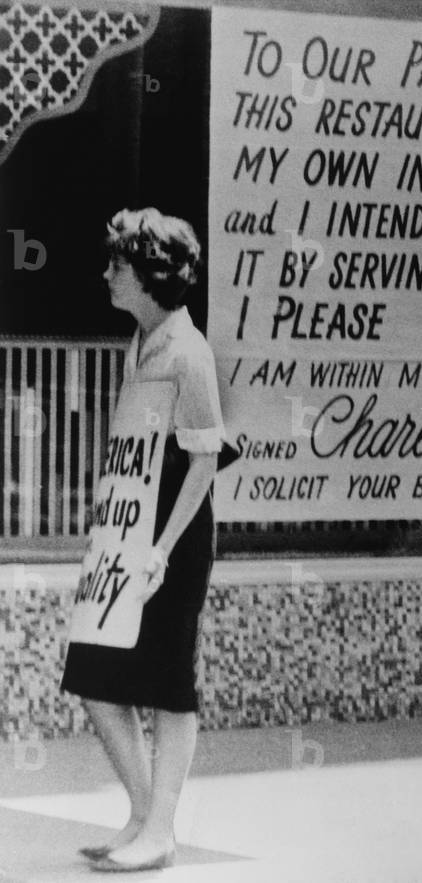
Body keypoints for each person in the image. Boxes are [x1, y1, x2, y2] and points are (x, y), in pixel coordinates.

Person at [61, 208, 224, 872]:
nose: (107, 274)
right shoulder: (143, 340)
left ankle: (161, 829)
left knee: (166, 683)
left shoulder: (189, 352)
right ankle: (141, 812)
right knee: (95, 671)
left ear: (150, 274)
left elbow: (205, 461)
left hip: (173, 539)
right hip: (129, 534)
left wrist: (160, 548)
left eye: (117, 266)